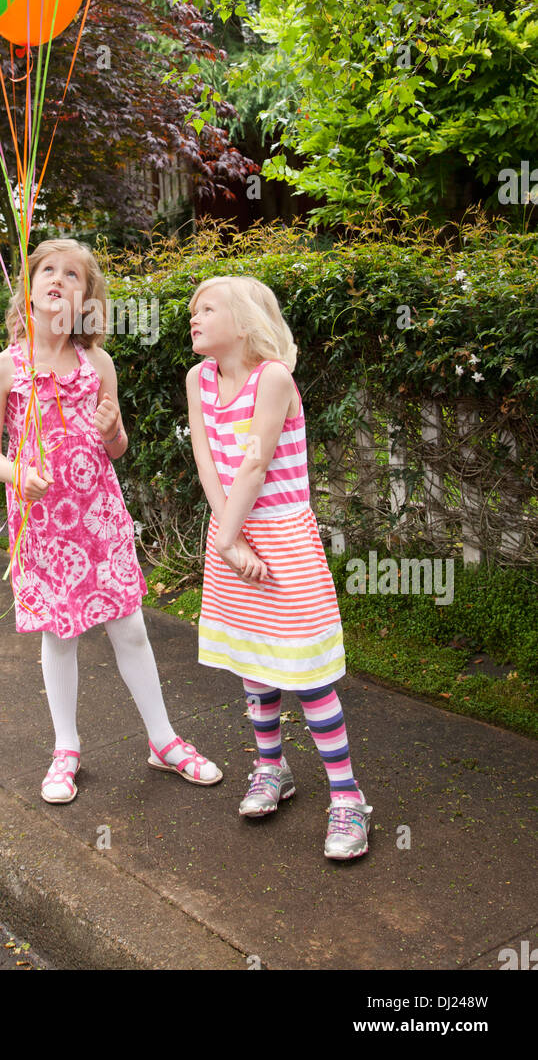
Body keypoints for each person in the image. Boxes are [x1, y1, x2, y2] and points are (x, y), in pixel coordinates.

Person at [0, 237, 221, 803]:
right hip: (43, 523)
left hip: (100, 515)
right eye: (48, 272)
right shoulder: (2, 370)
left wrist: (111, 427)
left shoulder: (98, 364)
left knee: (129, 626)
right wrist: (16, 473)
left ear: (88, 297)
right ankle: (66, 749)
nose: (58, 280)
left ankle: (162, 740)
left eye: (73, 276)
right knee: (60, 636)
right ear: (31, 288)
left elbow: (116, 449)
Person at [186, 275, 372, 860]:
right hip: (233, 532)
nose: (193, 317)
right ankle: (273, 769)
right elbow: (207, 460)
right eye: (193, 309)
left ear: (243, 321)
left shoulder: (273, 378)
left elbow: (255, 464)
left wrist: (231, 537)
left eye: (206, 308)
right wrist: (227, 536)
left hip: (282, 538)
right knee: (253, 659)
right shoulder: (198, 379)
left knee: (308, 669)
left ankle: (348, 797)